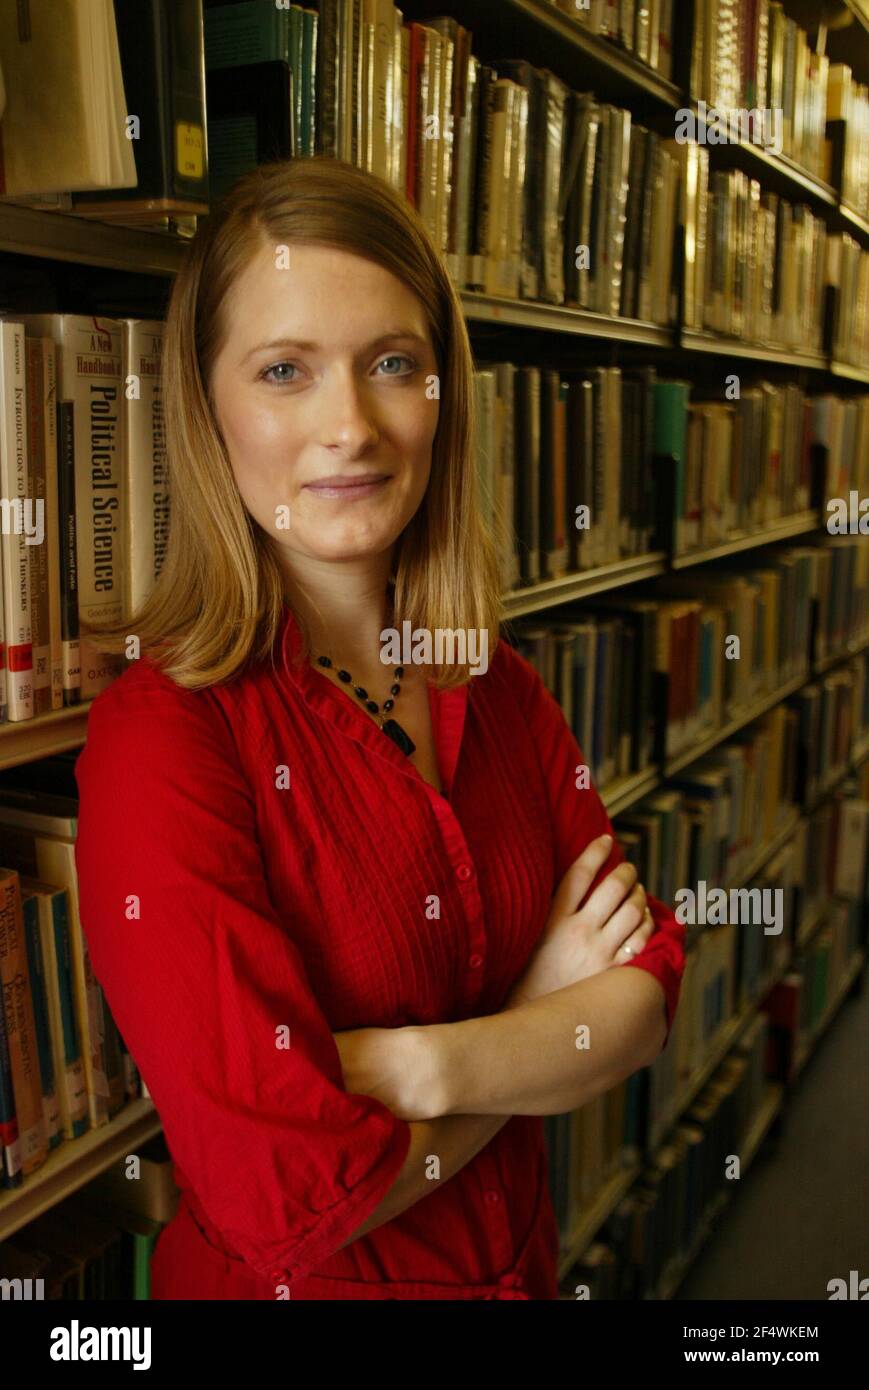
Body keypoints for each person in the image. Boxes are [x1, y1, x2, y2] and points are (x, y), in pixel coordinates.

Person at [74, 157, 686, 1301]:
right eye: (284, 371)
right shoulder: (162, 742)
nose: (347, 427)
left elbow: (644, 991)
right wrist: (533, 1032)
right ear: (208, 406)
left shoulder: (497, 686)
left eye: (391, 365)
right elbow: (282, 1192)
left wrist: (416, 1065)